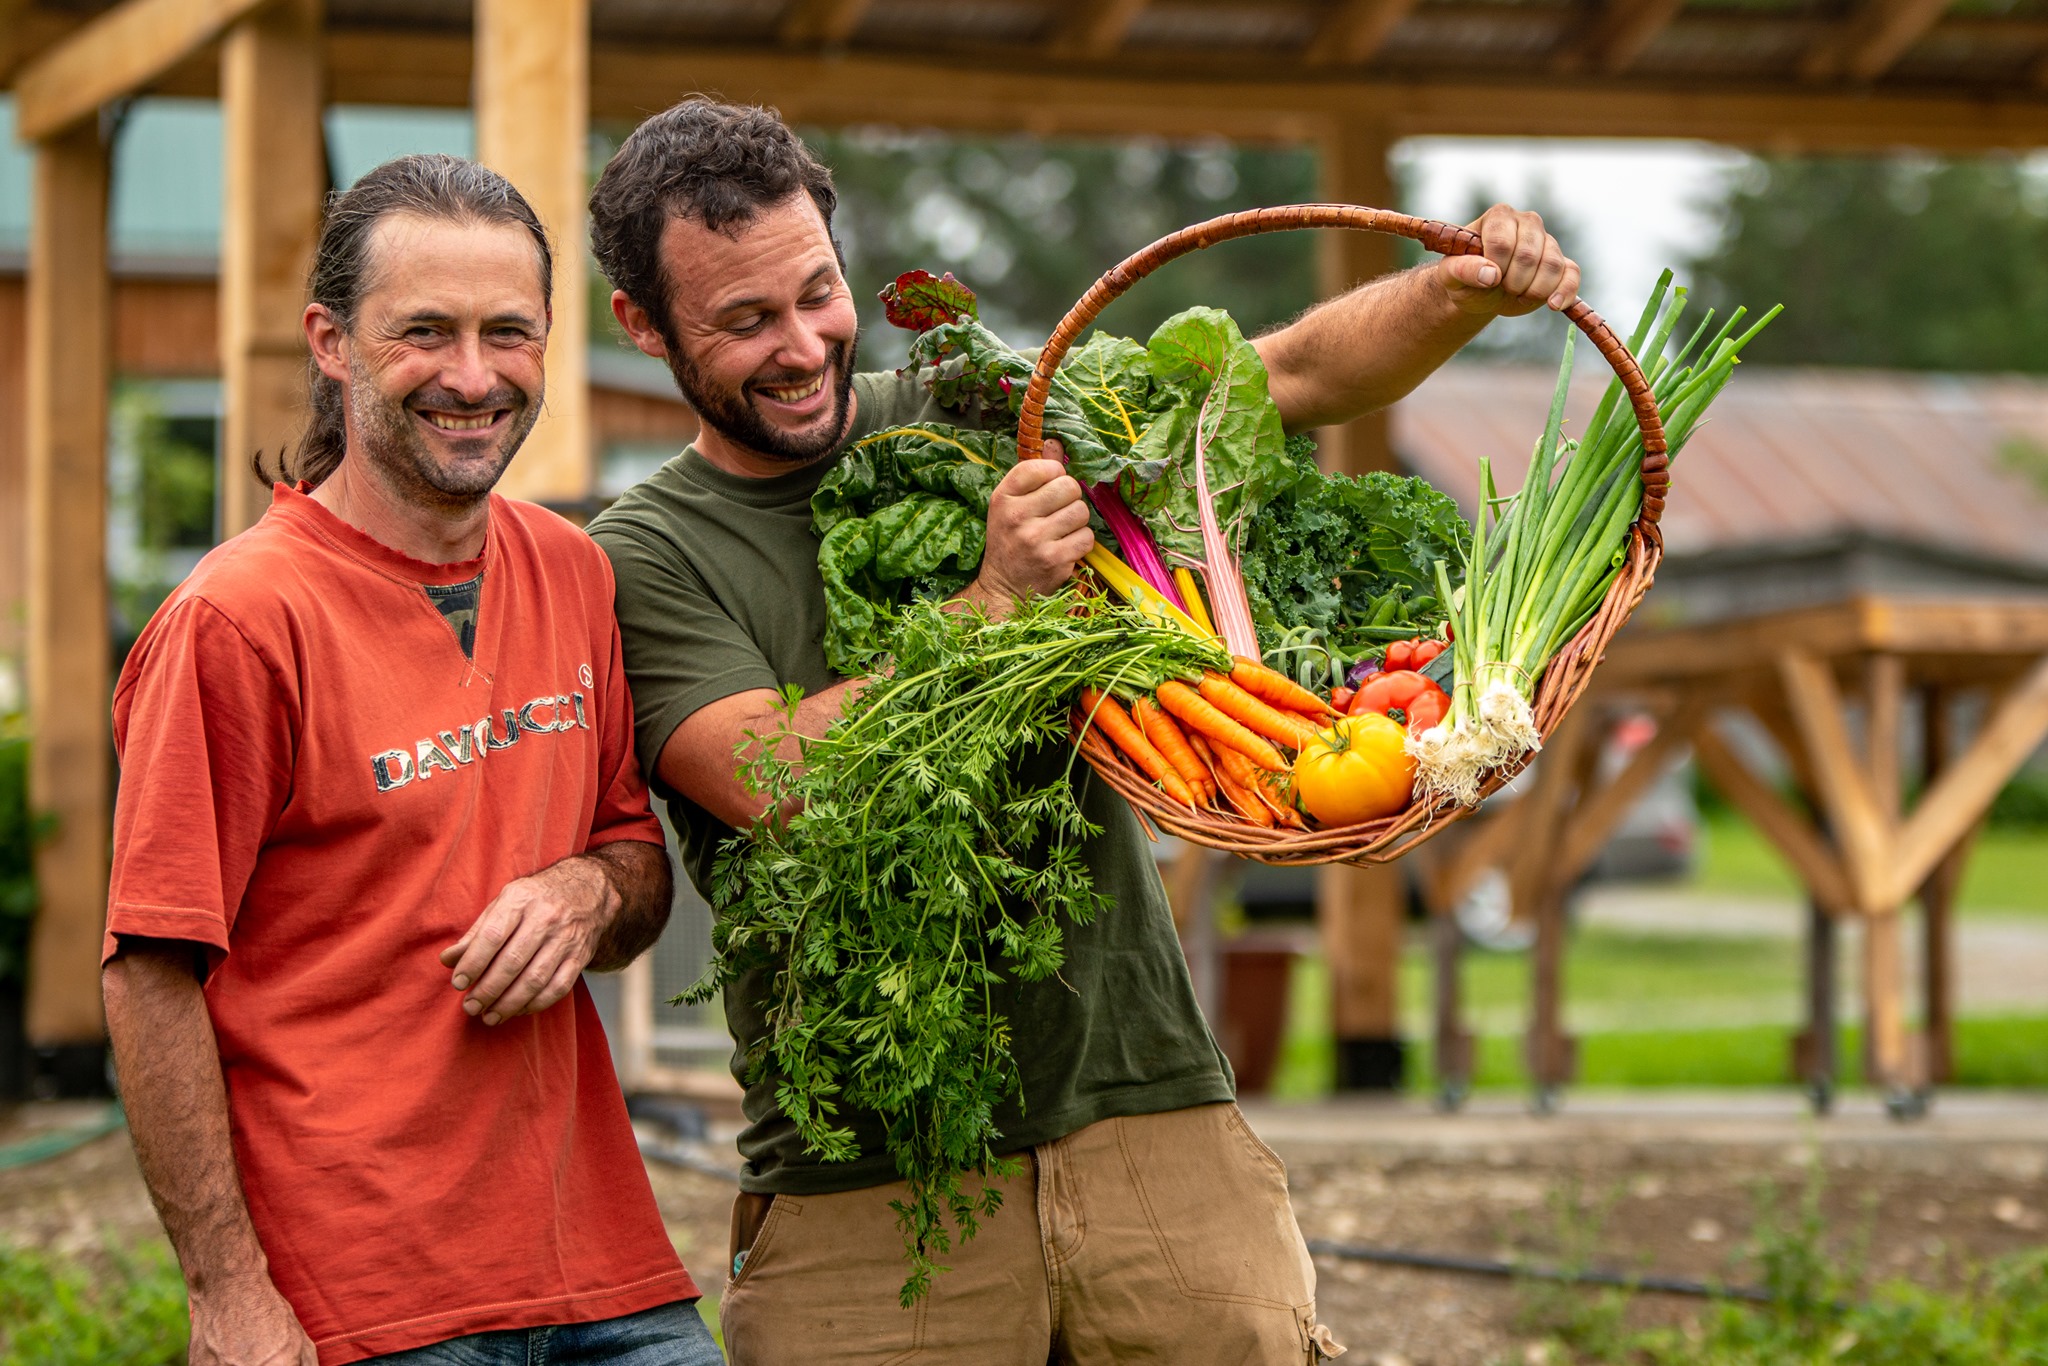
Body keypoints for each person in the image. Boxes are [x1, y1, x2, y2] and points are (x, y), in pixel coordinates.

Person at [586, 99, 1578, 1365]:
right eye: (742, 321)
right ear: (642, 324)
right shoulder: (644, 553)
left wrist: (1461, 293)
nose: (800, 346)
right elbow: (778, 777)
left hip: (1146, 1102)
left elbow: (1287, 376)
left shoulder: (977, 400)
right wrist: (992, 601)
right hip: (867, 1166)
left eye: (815, 294)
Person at [100, 155, 721, 1366]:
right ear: (331, 342)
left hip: (602, 1271)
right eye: (423, 333)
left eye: (508, 333)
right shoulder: (236, 621)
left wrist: (583, 891)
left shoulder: (574, 571)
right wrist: (227, 1290)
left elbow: (633, 865)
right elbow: (147, 975)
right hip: (357, 1301)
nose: (473, 376)